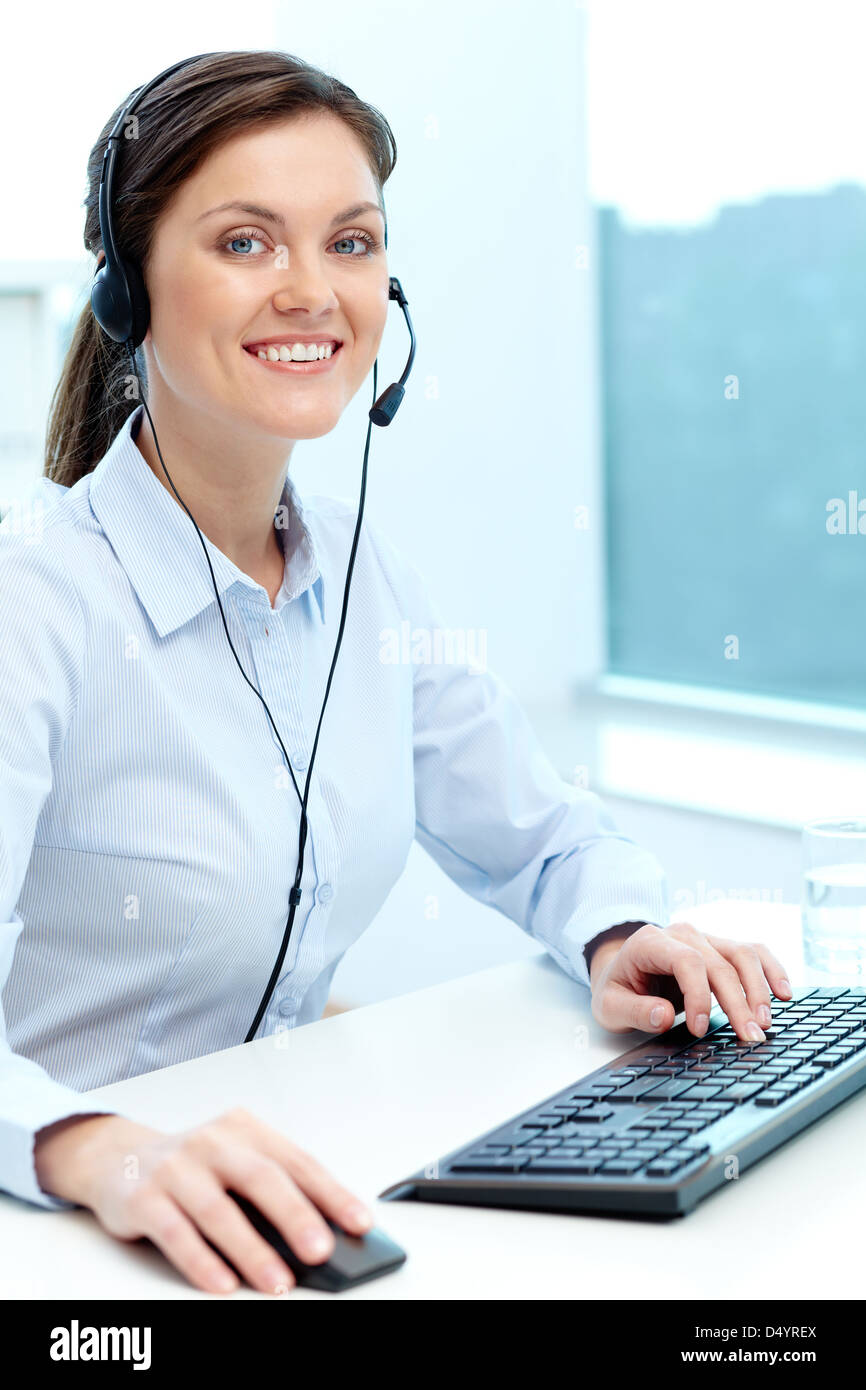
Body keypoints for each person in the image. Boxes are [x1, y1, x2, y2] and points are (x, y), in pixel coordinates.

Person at [0, 50, 791, 1296]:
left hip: (275, 1205)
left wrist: (623, 930)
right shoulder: (32, 602)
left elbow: (541, 842)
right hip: (65, 1228)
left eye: (352, 242)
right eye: (246, 242)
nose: (311, 291)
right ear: (125, 290)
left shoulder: (361, 586)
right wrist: (98, 1150)